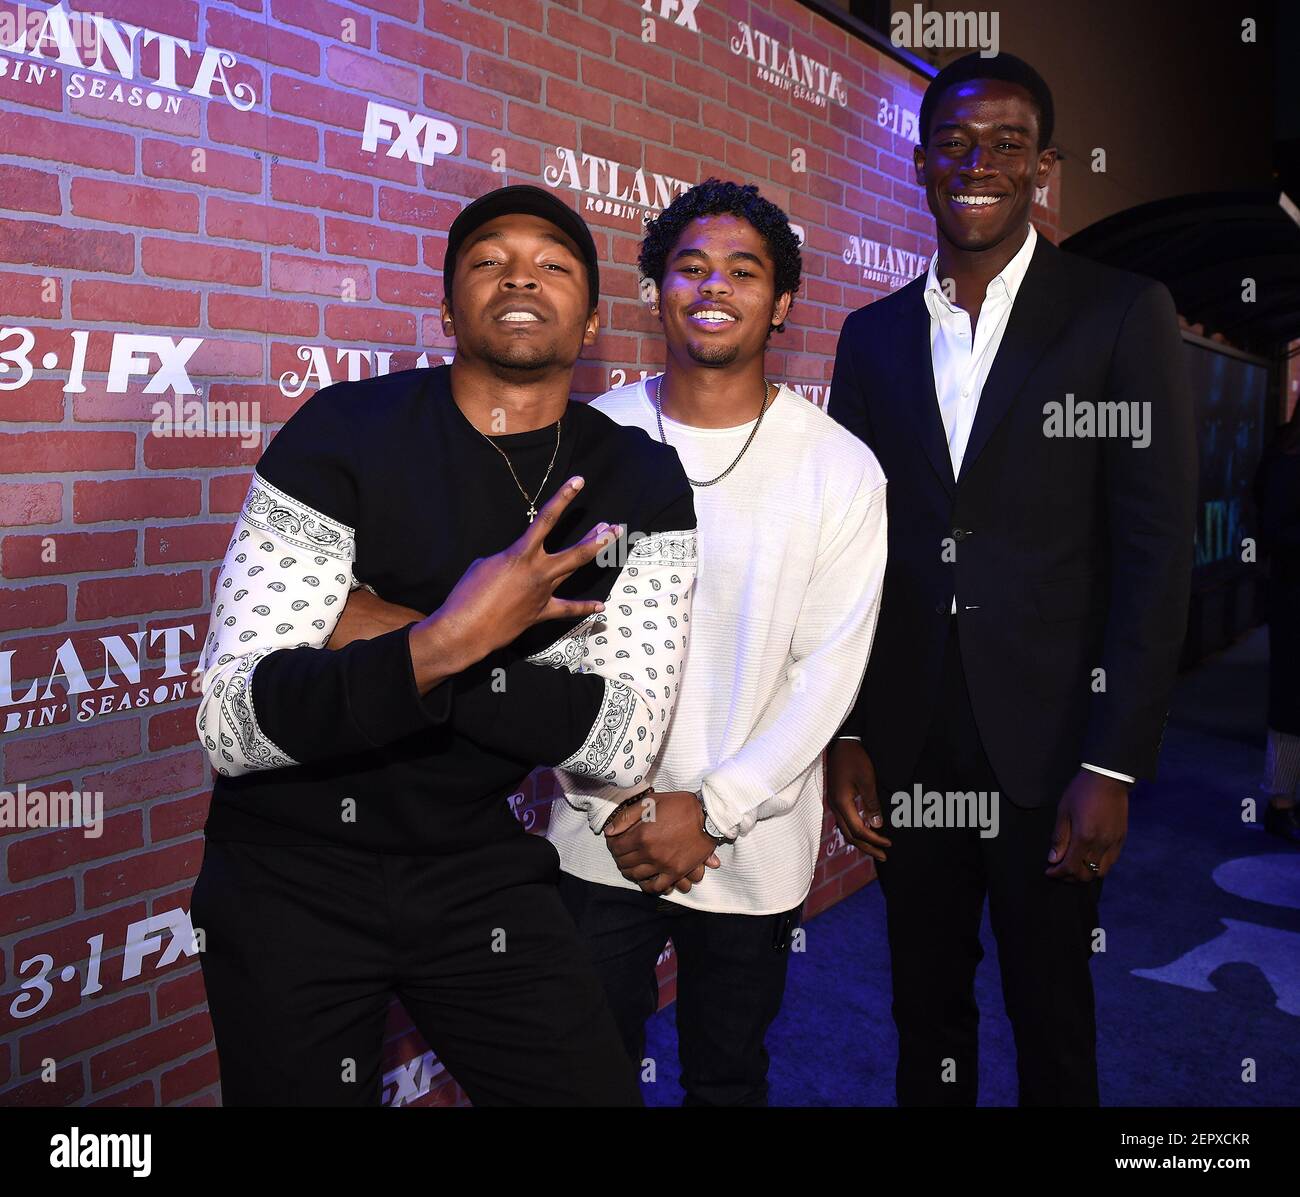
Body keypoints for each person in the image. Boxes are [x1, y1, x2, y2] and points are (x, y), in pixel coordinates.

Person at [191, 185, 698, 1106]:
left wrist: (425, 641)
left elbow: (621, 740)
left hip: (472, 863)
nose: (520, 276)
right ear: (447, 306)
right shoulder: (343, 429)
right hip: (286, 864)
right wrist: (459, 647)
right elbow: (234, 722)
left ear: (590, 320)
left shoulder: (641, 478)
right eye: (487, 259)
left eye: (554, 264)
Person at [826, 53, 1196, 1106]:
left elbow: (1152, 551)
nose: (976, 162)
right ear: (919, 162)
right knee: (922, 1007)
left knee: (1051, 1016)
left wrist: (1115, 765)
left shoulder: (1122, 312)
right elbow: (857, 550)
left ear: (1043, 167)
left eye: (1004, 143)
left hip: (1053, 747)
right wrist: (851, 730)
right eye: (953, 142)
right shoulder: (871, 336)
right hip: (909, 740)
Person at [547, 179, 888, 1106]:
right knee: (582, 1075)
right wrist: (619, 797)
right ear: (658, 287)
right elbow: (548, 639)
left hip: (753, 836)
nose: (713, 286)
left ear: (779, 304)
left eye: (744, 271)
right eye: (690, 266)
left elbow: (829, 671)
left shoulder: (840, 467)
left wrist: (712, 806)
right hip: (597, 831)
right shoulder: (591, 436)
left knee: (728, 1076)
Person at [1254, 403, 1300, 843]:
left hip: (1289, 594)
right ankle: (1280, 803)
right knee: (1290, 704)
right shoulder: (1288, 456)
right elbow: (1274, 528)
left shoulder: (1282, 450)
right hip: (1293, 599)